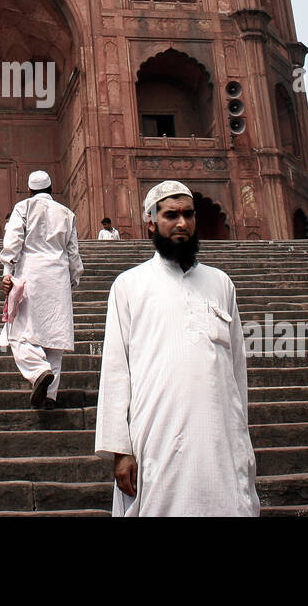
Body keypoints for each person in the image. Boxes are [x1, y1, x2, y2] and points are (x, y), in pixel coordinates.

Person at [94, 181, 259, 516]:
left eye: (188, 214)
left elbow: (237, 367)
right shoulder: (129, 285)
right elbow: (115, 370)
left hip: (219, 431)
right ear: (151, 222)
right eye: (171, 215)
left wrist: (239, 431)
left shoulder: (220, 283)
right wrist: (119, 449)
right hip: (156, 432)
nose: (181, 223)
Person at [0, 170, 83, 409]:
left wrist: (7, 272)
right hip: (58, 277)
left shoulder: (23, 208)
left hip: (31, 274)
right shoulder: (67, 213)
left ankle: (38, 371)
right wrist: (73, 279)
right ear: (51, 188)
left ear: (30, 191)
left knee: (19, 332)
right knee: (54, 340)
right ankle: (49, 397)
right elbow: (73, 252)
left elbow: (13, 241)